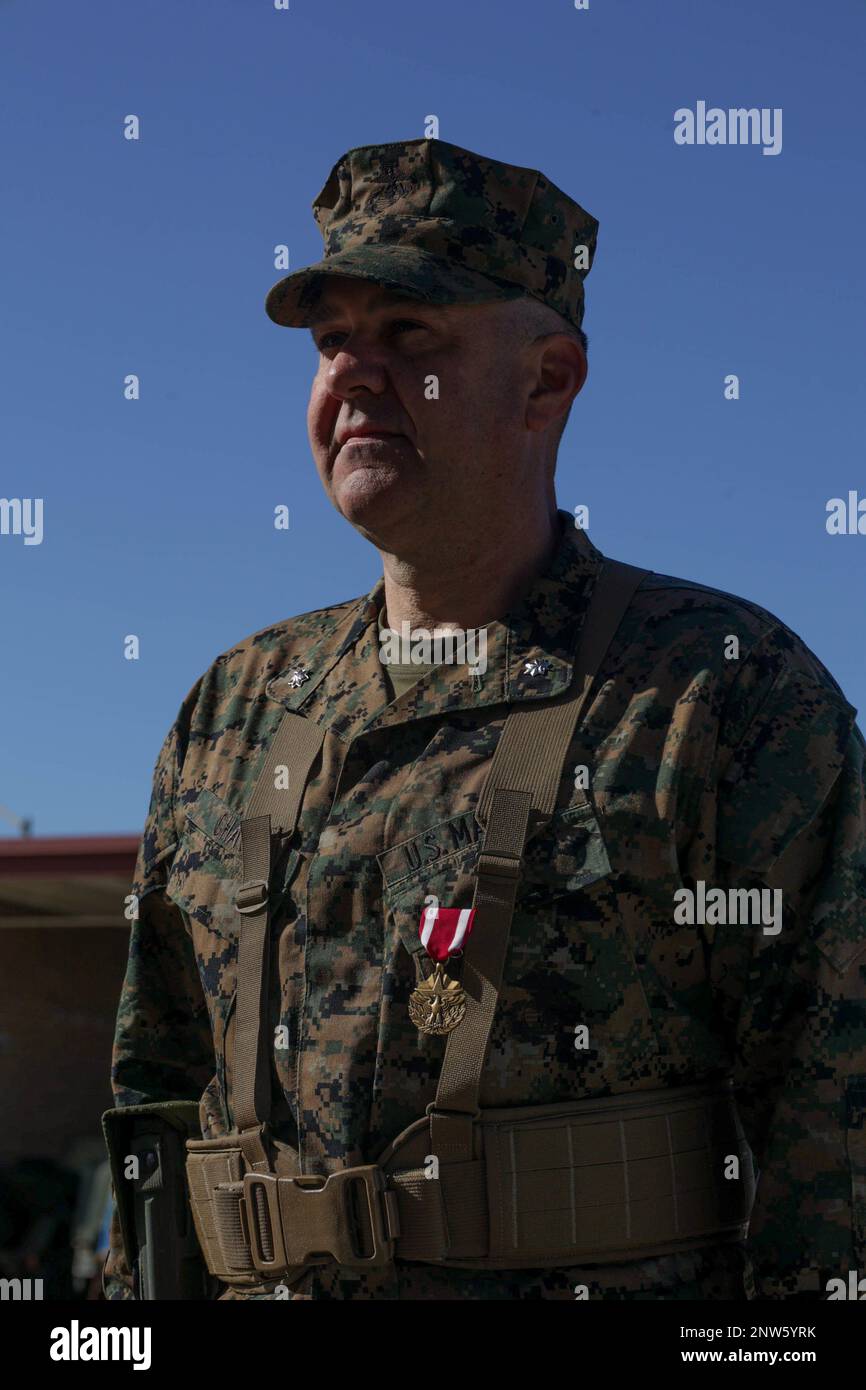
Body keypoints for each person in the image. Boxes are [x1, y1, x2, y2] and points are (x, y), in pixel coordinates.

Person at [104, 137, 866, 1301]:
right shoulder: (238, 710)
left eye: (411, 336)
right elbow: (158, 1095)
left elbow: (836, 1151)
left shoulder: (717, 694)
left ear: (546, 381)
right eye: (331, 342)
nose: (354, 373)